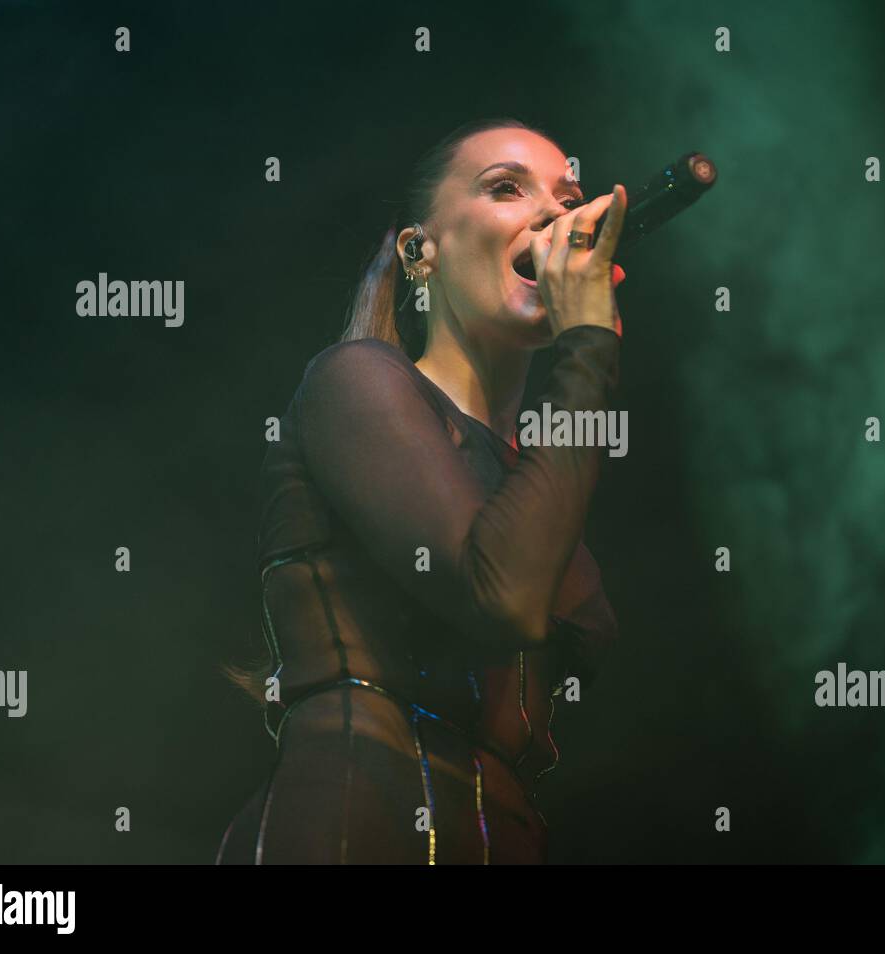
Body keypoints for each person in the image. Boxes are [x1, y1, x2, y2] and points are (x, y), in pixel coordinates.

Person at [215, 117, 627, 864]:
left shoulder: (536, 475)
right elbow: (500, 592)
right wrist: (588, 351)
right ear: (419, 250)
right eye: (507, 189)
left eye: (568, 198)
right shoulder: (356, 381)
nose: (552, 216)